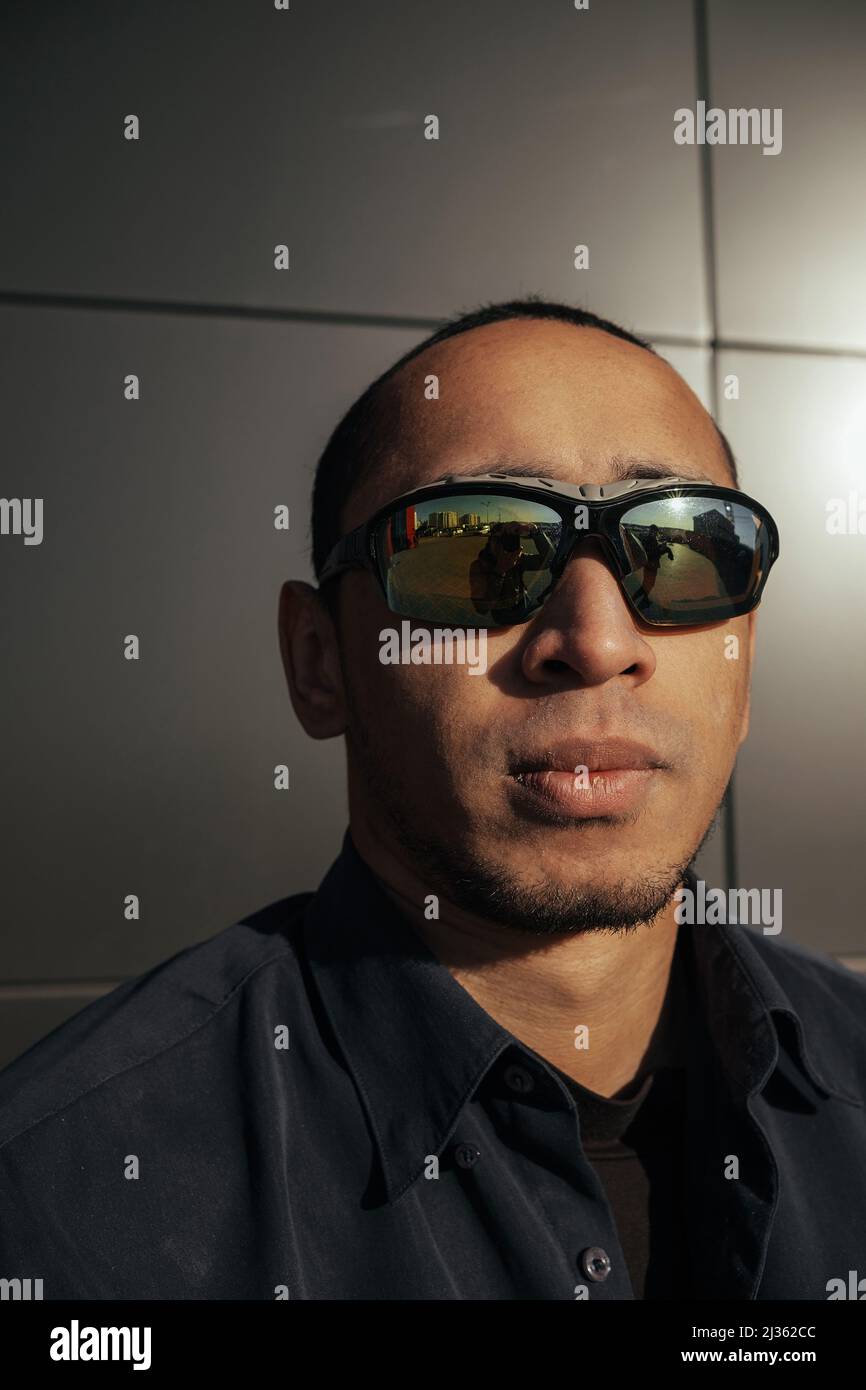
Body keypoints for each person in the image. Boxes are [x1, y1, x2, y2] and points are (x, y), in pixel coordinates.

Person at [0, 298, 864, 1302]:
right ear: (319, 661)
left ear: (741, 665)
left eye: (674, 551)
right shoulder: (62, 1205)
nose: (595, 640)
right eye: (473, 549)